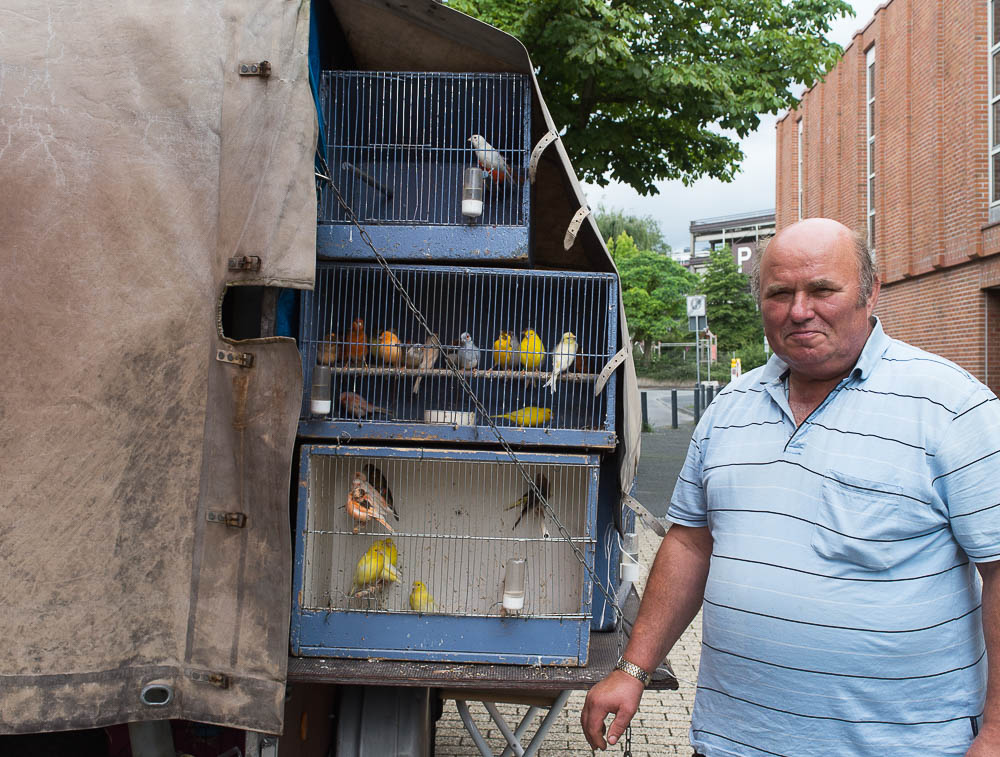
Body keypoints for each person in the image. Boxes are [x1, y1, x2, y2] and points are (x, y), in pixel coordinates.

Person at [582, 218, 1000, 756]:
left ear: (872, 290)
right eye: (780, 293)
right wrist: (634, 669)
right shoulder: (730, 409)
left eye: (823, 289)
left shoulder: (951, 408)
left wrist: (995, 733)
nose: (799, 310)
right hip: (734, 741)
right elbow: (689, 542)